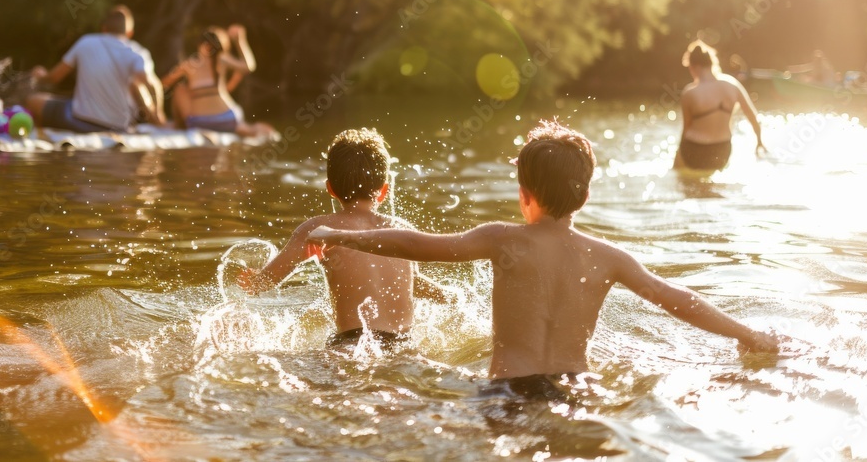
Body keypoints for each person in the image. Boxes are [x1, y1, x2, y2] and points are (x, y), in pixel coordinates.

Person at [309, 120, 782, 397]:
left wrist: (338, 234)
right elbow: (675, 296)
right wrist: (747, 333)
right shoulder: (608, 256)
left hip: (508, 395)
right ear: (587, 193)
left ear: (524, 193)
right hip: (578, 391)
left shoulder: (503, 240)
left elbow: (412, 245)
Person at [237, 128, 451, 351]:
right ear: (383, 191)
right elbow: (413, 283)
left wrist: (252, 280)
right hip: (403, 345)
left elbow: (268, 280)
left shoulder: (318, 230)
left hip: (352, 344)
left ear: (330, 188)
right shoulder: (401, 230)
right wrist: (450, 297)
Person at [26, 5, 165, 132]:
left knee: (33, 101)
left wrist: (40, 75)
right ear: (129, 33)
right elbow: (152, 84)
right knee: (135, 84)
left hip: (78, 121)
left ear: (104, 28)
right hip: (118, 127)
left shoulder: (86, 42)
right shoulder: (138, 53)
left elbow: (54, 78)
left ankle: (44, 141)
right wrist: (158, 112)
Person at [161, 25, 273, 138]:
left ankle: (174, 124)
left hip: (213, 120)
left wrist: (240, 42)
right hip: (212, 120)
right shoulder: (201, 63)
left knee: (180, 88)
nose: (207, 47)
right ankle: (175, 124)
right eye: (205, 43)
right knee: (180, 89)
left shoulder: (212, 61)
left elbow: (248, 67)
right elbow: (249, 67)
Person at [674, 40, 764, 171]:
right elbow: (752, 117)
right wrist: (759, 142)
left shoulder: (689, 93)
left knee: (684, 180)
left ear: (695, 67)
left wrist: (678, 156)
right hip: (722, 151)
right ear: (711, 63)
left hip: (694, 151)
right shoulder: (732, 85)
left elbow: (686, 128)